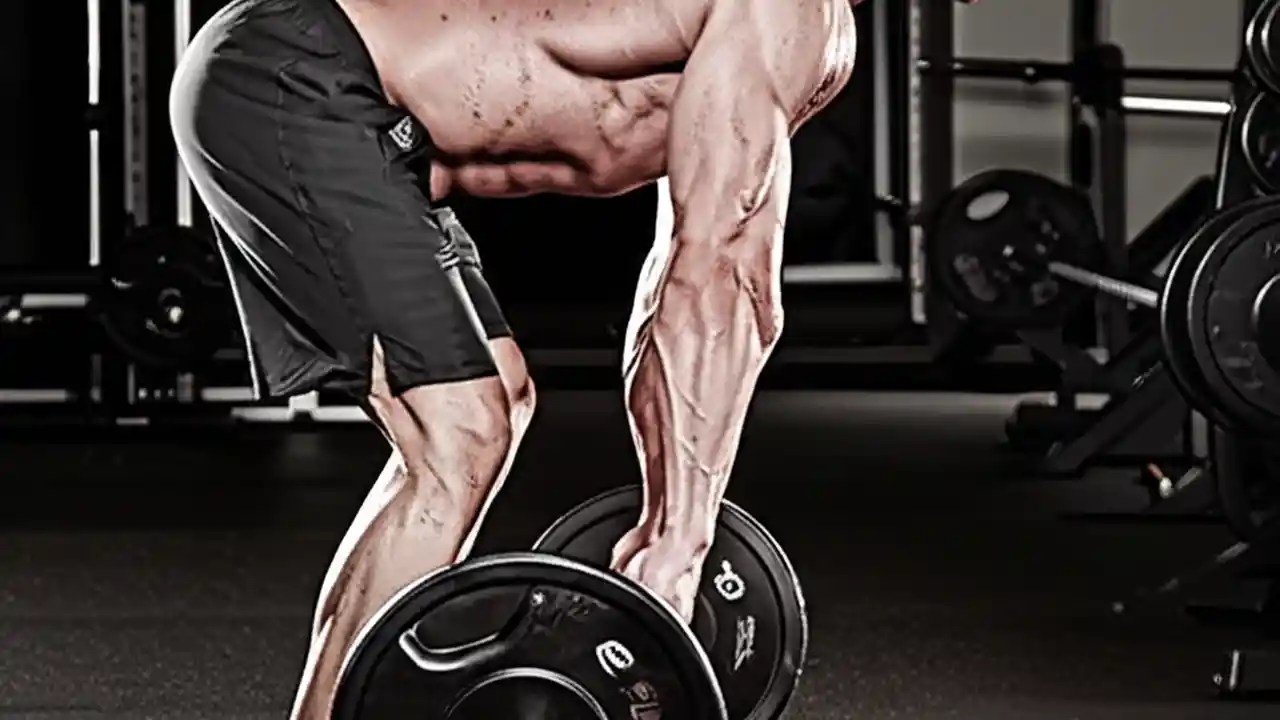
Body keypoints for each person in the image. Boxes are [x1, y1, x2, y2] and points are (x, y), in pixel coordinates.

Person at [170, 0, 857, 716]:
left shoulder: (807, 32)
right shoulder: (784, 12)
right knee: (460, 436)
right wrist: (678, 545)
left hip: (363, 122)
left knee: (500, 398)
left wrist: (668, 525)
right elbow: (717, 276)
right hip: (300, 74)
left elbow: (689, 278)